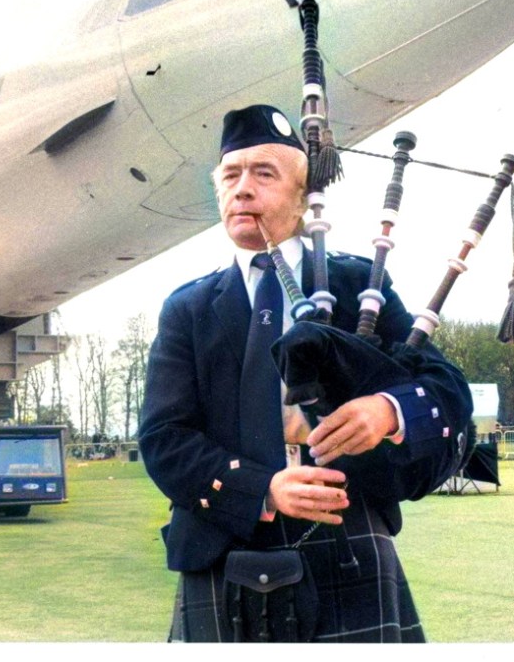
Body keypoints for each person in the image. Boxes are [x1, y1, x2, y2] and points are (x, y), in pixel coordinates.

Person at [138, 104, 472, 643]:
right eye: (230, 176)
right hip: (223, 542)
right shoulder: (188, 308)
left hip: (347, 539)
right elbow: (164, 439)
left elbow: (443, 389)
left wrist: (386, 411)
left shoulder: (358, 284)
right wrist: (264, 489)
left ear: (304, 195)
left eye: (263, 173)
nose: (242, 189)